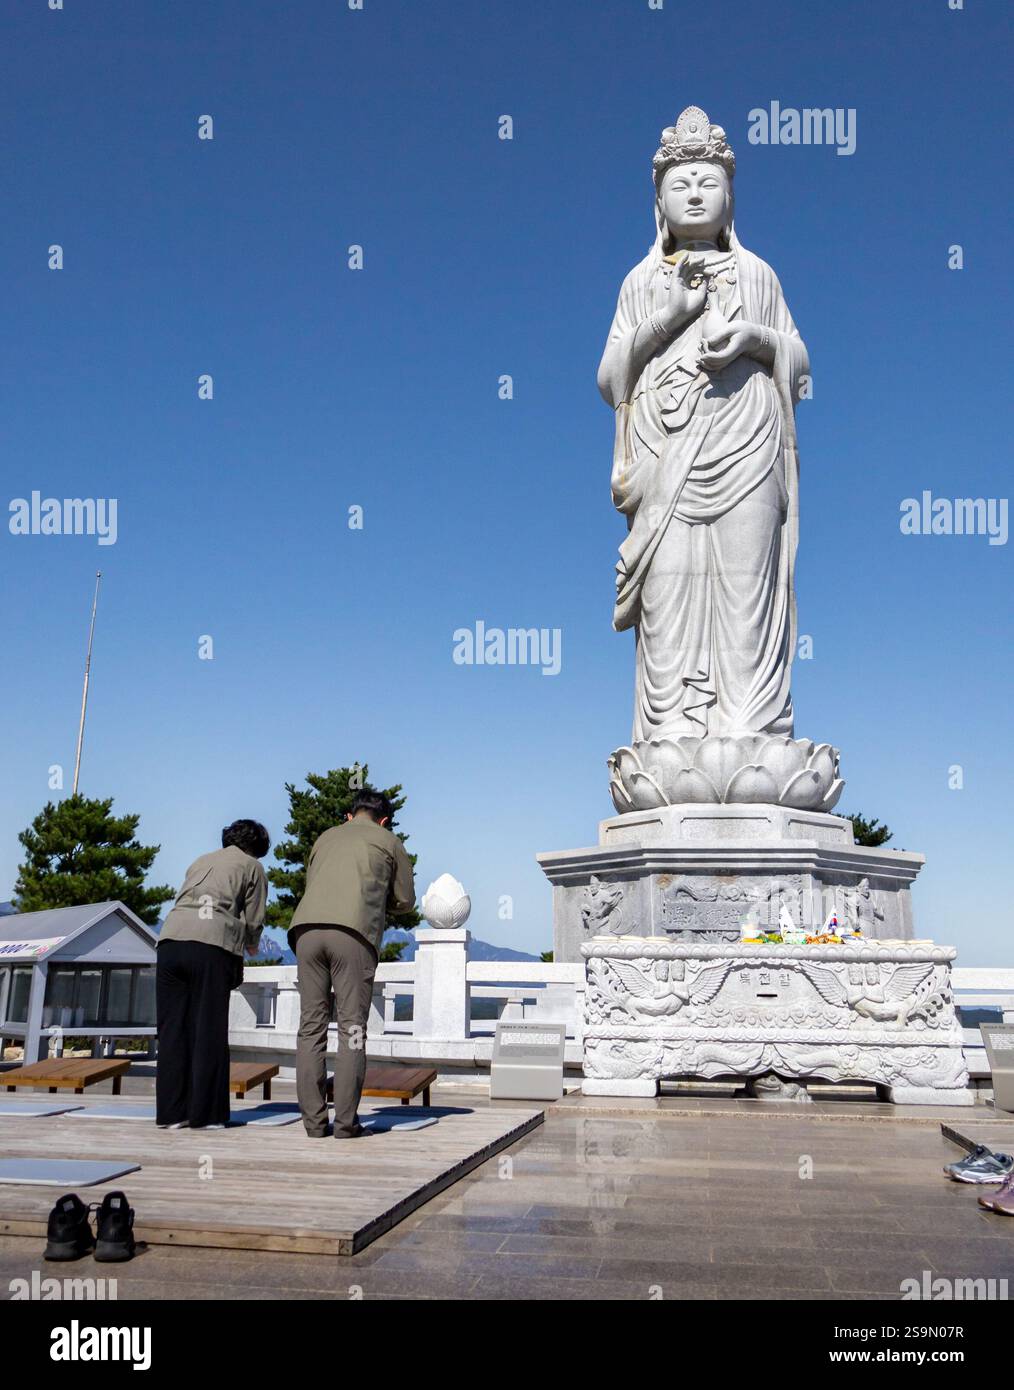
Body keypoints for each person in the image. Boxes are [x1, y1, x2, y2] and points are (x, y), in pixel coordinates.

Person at [289, 791, 415, 1139]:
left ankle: (314, 1124)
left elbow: (312, 883)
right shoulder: (389, 841)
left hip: (306, 932)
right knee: (352, 1029)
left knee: (310, 1027)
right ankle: (345, 1123)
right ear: (384, 820)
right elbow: (405, 900)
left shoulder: (325, 837)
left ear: (349, 816)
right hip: (353, 934)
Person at [155, 818, 270, 1129]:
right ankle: (205, 1115)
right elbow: (254, 915)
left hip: (170, 941)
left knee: (172, 1030)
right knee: (209, 1028)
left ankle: (171, 1113)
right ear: (257, 847)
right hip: (210, 944)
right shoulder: (252, 866)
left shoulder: (201, 860)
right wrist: (251, 945)